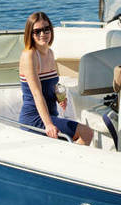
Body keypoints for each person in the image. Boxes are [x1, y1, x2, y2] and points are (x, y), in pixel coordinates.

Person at [19, 12, 93, 145]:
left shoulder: (50, 53)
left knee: (82, 135)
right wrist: (48, 124)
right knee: (86, 133)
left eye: (46, 29)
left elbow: (54, 84)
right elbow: (37, 94)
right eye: (37, 31)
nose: (43, 34)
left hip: (51, 115)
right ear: (30, 34)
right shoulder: (29, 55)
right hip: (35, 118)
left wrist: (60, 96)